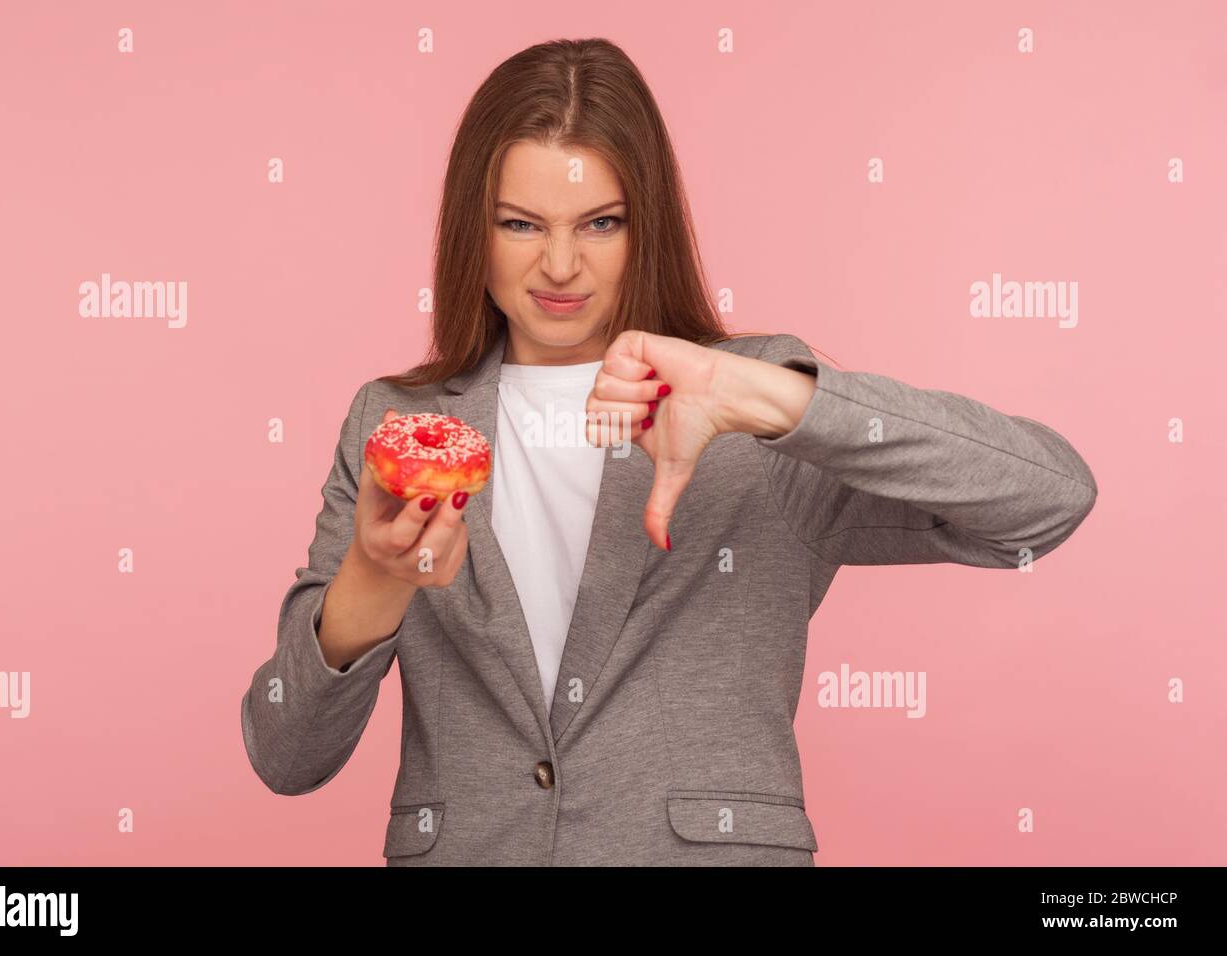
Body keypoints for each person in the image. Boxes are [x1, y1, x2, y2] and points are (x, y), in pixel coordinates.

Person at [240, 38, 1098, 866]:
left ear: (645, 224)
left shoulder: (752, 410)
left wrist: (769, 397)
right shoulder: (393, 422)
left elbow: (1047, 500)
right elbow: (286, 754)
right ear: (475, 229)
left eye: (601, 222)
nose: (562, 265)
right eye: (521, 224)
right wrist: (376, 576)